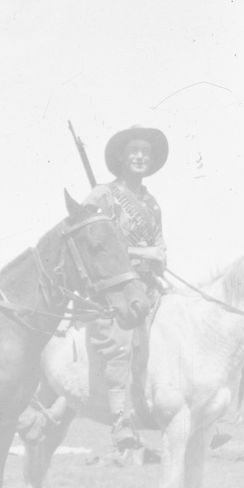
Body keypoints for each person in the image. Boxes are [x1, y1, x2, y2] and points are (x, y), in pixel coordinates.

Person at [83, 125, 168, 451]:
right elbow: (90, 242)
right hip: (112, 288)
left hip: (147, 285)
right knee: (121, 341)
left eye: (146, 152)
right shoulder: (102, 195)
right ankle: (120, 420)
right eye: (134, 150)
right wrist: (143, 253)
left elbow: (159, 245)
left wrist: (158, 258)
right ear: (122, 156)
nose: (140, 156)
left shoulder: (152, 203)